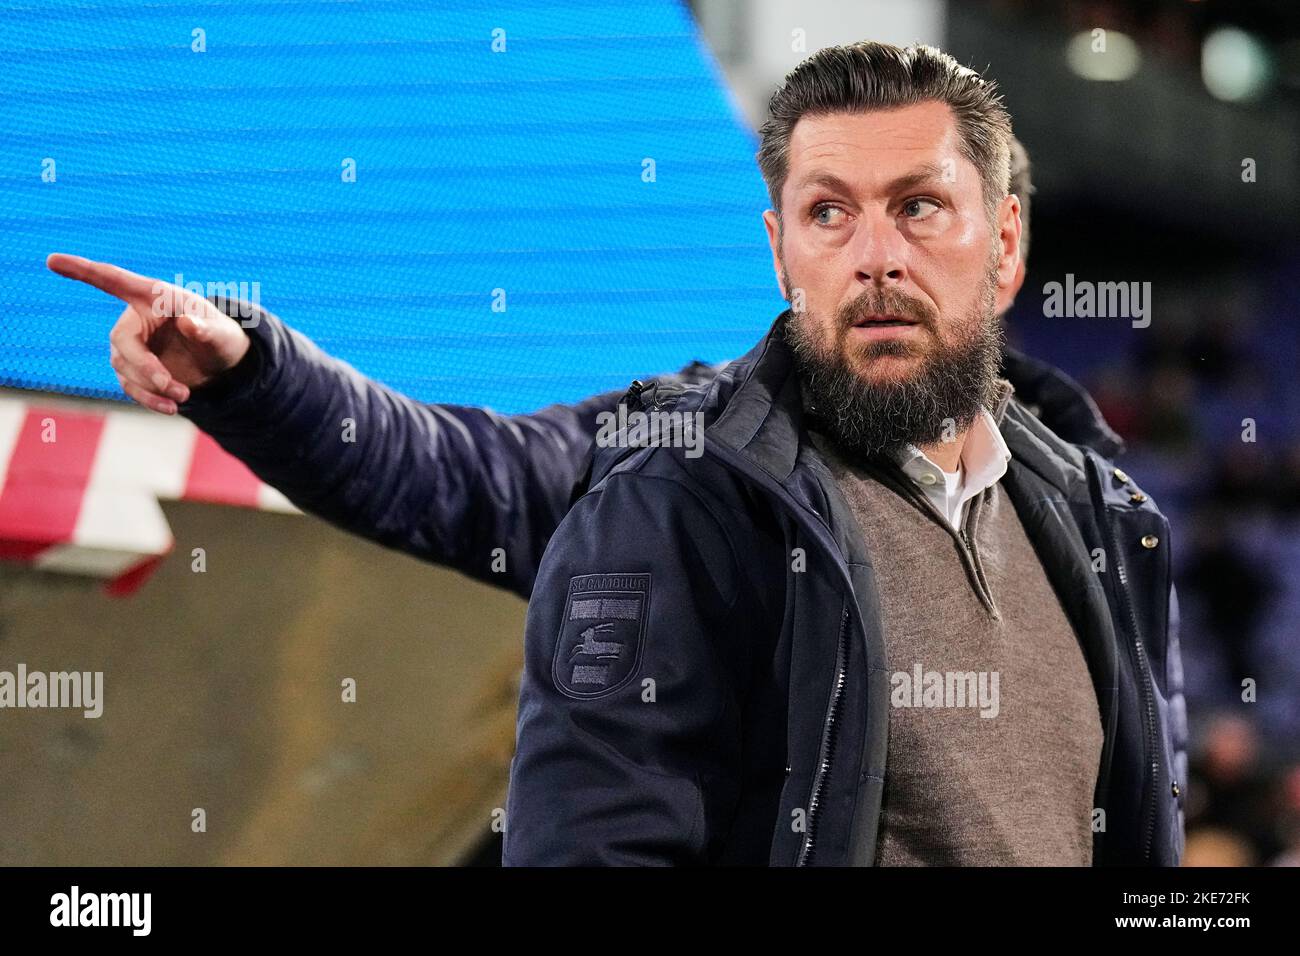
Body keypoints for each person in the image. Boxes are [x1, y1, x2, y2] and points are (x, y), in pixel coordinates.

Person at [44, 41, 1183, 867]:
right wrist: (254, 375)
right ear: (780, 249)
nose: (873, 254)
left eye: (919, 206)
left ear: (1006, 242)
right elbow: (455, 471)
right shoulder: (680, 464)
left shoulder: (1102, 516)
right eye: (828, 212)